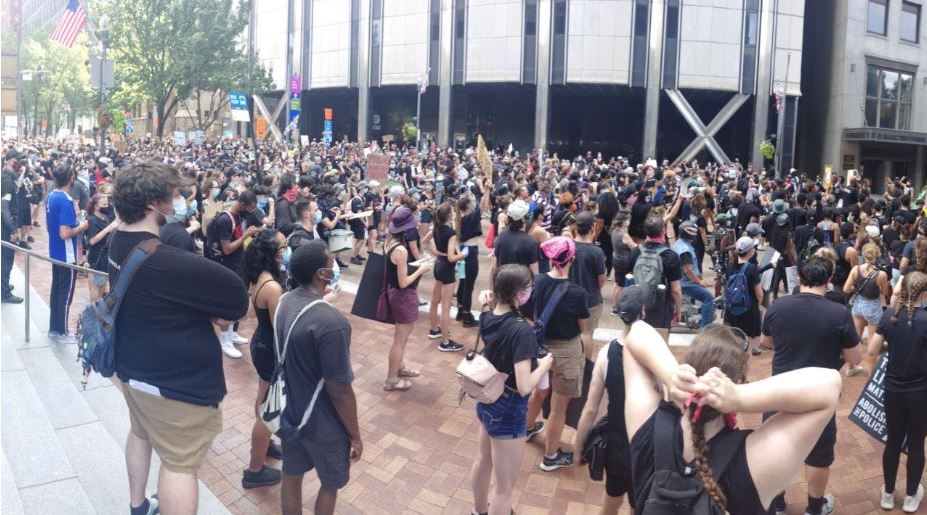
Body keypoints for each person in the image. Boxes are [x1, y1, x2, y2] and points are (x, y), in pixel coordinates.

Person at [109, 162, 249, 515]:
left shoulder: (117, 239)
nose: (178, 202)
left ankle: (138, 505)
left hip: (132, 368)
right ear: (153, 204)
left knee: (140, 432)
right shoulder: (167, 261)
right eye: (173, 196)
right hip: (174, 384)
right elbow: (236, 303)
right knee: (180, 464)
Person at [624, 320, 844, 515]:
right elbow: (830, 385)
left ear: (688, 368)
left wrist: (670, 374)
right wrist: (740, 397)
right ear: (737, 382)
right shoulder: (755, 461)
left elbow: (636, 331)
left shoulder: (647, 428)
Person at [760, 256, 863, 515]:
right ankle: (814, 508)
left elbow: (765, 342)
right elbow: (855, 358)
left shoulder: (778, 306)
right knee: (818, 454)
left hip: (780, 391)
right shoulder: (838, 313)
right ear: (828, 280)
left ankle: (777, 504)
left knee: (776, 448)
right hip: (818, 395)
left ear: (800, 278)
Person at [278, 240, 361, 515]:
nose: (334, 267)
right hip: (323, 421)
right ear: (321, 274)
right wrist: (355, 435)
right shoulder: (332, 323)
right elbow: (340, 390)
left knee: (291, 476)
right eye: (331, 264)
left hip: (290, 412)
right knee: (330, 484)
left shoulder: (284, 301)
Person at [469, 264, 553, 515]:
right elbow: (525, 385)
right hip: (509, 407)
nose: (531, 291)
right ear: (519, 294)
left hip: (487, 399)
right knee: (504, 488)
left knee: (483, 461)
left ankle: (478, 510)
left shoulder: (488, 315)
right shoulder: (522, 331)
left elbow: (488, 305)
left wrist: (486, 301)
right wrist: (545, 365)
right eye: (529, 288)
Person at [572, 286, 645, 515]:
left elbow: (590, 409)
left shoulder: (607, 354)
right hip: (644, 445)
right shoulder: (655, 358)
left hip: (617, 444)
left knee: (611, 501)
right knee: (639, 505)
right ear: (643, 313)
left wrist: (578, 448)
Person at [522, 236, 590, 471]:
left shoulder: (537, 281)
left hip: (540, 348)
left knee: (540, 392)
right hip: (567, 351)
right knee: (559, 407)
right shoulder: (577, 292)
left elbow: (527, 313)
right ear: (572, 258)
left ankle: (527, 427)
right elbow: (582, 327)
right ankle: (551, 455)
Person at [867, 271, 926, 513]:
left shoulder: (889, 315)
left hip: (893, 388)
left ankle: (888, 495)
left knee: (892, 441)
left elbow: (872, 350)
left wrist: (893, 342)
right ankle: (911, 497)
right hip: (921, 391)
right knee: (917, 444)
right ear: (924, 294)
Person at [240, 229, 287, 489]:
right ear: (272, 252)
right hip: (269, 348)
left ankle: (265, 444)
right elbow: (280, 328)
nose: (286, 251)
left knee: (262, 399)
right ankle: (254, 470)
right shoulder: (272, 287)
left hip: (261, 343)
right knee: (267, 412)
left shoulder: (258, 276)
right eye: (282, 247)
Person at [383, 207, 433, 391]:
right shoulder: (401, 250)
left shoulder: (389, 241)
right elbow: (403, 282)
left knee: (400, 337)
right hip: (403, 296)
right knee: (400, 339)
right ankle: (391, 379)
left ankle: (400, 367)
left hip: (396, 294)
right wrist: (421, 269)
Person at [209, 191, 261, 357]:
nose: (251, 212)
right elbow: (227, 249)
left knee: (237, 299)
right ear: (243, 205)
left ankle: (231, 333)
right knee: (228, 302)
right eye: (250, 209)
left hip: (237, 264)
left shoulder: (237, 215)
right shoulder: (225, 220)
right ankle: (224, 340)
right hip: (228, 266)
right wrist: (247, 235)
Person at [46, 165, 89, 344]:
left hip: (55, 251)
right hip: (66, 254)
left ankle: (54, 327)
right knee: (66, 293)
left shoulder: (51, 196)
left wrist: (75, 216)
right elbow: (65, 233)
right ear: (71, 178)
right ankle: (62, 331)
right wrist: (82, 226)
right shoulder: (65, 200)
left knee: (56, 290)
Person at [626, 215, 682, 341]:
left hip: (638, 305)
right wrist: (678, 310)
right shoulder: (671, 256)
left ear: (646, 232)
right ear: (662, 231)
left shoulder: (636, 252)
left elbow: (629, 279)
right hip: (661, 307)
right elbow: (676, 290)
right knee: (658, 343)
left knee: (637, 341)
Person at [843, 242, 890, 375]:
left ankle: (851, 368)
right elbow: (885, 292)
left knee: (855, 337)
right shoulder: (881, 274)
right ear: (877, 255)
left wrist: (854, 288)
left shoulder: (855, 269)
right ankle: (871, 373)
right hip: (872, 306)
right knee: (872, 340)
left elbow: (846, 289)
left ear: (863, 255)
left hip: (858, 304)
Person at [427, 201, 466, 352]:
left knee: (434, 301)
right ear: (449, 215)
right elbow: (451, 257)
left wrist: (436, 252)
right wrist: (462, 255)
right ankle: (445, 342)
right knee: (446, 307)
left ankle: (433, 330)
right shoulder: (451, 233)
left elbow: (425, 241)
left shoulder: (436, 227)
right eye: (453, 211)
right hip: (447, 269)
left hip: (438, 265)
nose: (455, 213)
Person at [570, 211, 606, 360]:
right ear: (592, 227)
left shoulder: (569, 246)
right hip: (590, 298)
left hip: (570, 296)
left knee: (572, 333)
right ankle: (587, 365)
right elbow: (601, 279)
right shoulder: (596, 251)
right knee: (587, 333)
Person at [724, 236, 765, 355]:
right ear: (750, 251)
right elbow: (759, 294)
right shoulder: (751, 268)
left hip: (732, 309)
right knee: (747, 349)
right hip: (748, 311)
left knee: (734, 343)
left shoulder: (730, 265)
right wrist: (757, 306)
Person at [672, 220, 715, 329]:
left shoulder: (677, 244)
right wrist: (699, 281)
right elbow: (688, 271)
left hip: (679, 280)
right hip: (685, 282)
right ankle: (705, 327)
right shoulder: (685, 250)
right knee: (708, 298)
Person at [491, 199, 539, 278]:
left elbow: (494, 267)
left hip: (502, 282)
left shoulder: (501, 236)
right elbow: (535, 273)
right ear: (524, 218)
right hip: (521, 284)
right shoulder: (531, 242)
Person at [84, 193, 119, 301]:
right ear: (96, 206)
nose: (106, 207)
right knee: (97, 288)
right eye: (103, 205)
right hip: (96, 258)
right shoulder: (93, 220)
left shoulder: (106, 218)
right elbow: (92, 240)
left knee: (102, 286)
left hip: (104, 257)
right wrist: (108, 229)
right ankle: (94, 309)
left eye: (107, 204)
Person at [455, 194, 482, 328]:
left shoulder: (460, 218)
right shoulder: (470, 217)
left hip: (462, 250)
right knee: (468, 285)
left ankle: (461, 311)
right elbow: (483, 206)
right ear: (468, 206)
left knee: (463, 281)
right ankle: (467, 315)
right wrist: (487, 190)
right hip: (470, 251)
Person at [2, 168, 22, 303]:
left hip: (4, 226)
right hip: (6, 228)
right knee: (6, 260)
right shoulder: (7, 183)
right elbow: (4, 208)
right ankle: (4, 292)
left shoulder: (4, 179)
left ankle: (3, 285)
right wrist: (13, 230)